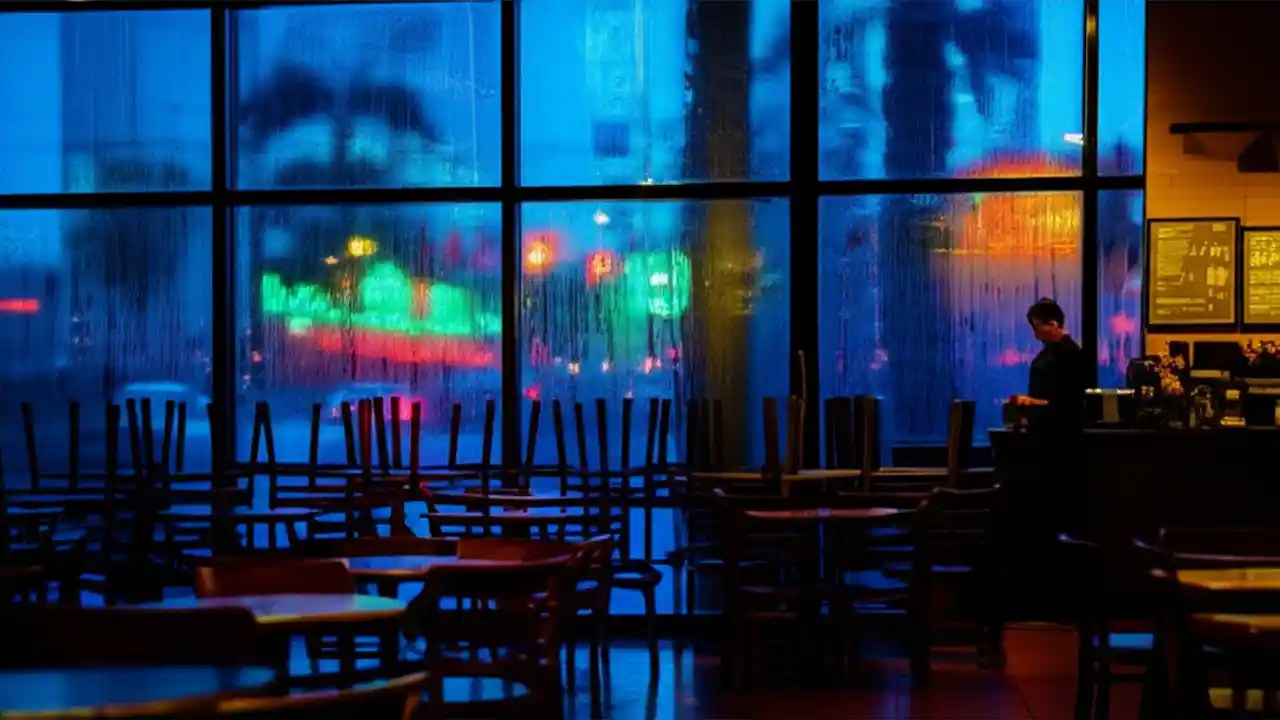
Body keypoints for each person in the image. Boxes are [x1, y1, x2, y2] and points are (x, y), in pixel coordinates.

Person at [1010, 298, 1086, 432]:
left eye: (1038, 329)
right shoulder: (1054, 353)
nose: (1036, 335)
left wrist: (1031, 403)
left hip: (1058, 432)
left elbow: (1066, 402)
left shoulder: (1068, 354)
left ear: (1053, 324)